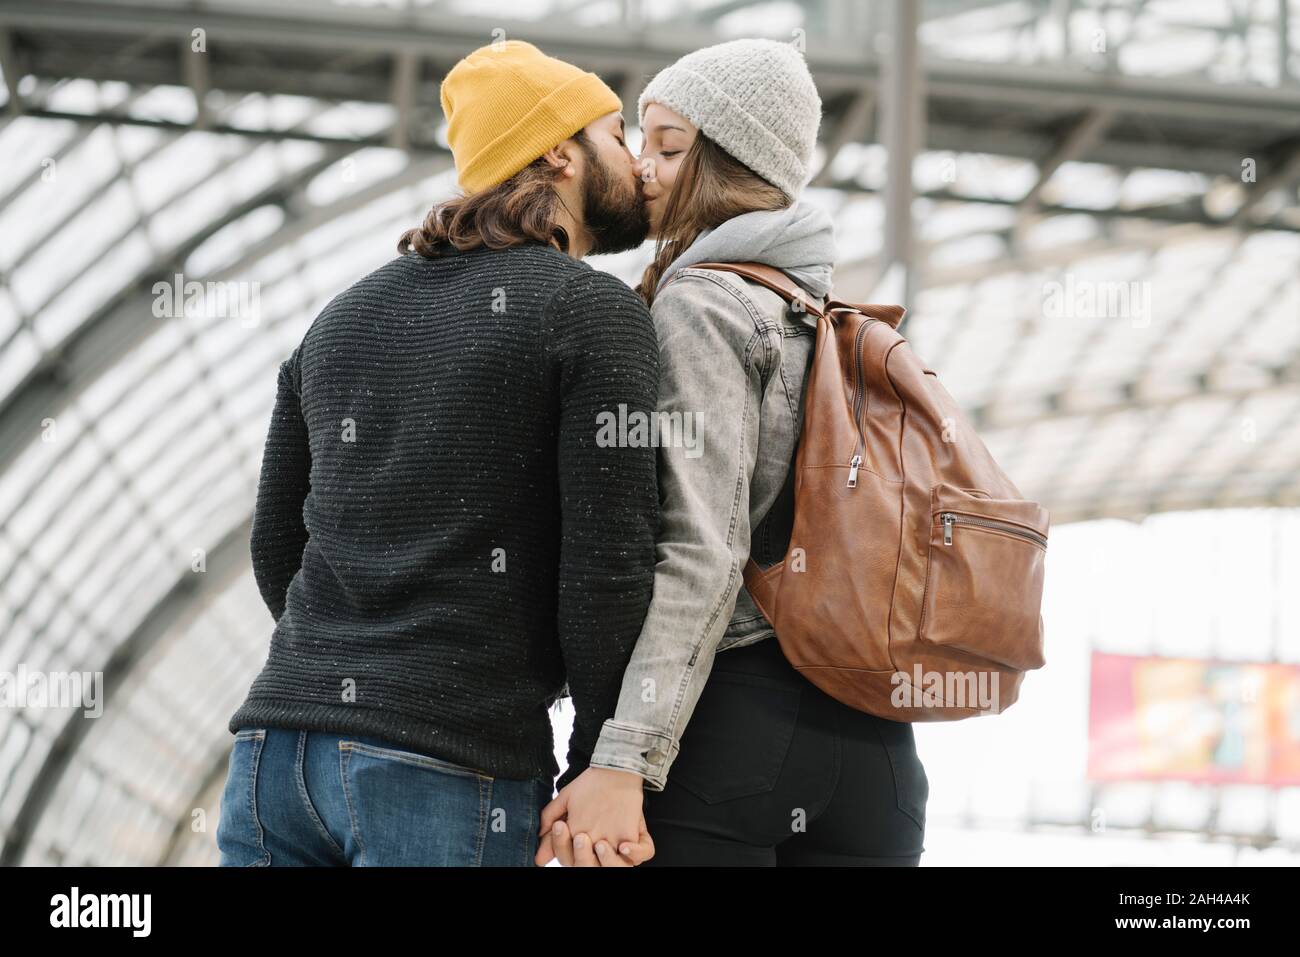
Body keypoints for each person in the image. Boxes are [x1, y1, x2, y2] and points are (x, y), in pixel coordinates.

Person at [217, 40, 659, 867]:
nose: (635, 161)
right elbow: (610, 562)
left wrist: (356, 666)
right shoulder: (592, 315)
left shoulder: (341, 317)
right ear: (560, 152)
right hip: (448, 761)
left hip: (273, 753)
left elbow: (277, 547)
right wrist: (604, 756)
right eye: (616, 132)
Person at [537, 37, 930, 867]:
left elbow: (703, 551)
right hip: (879, 759)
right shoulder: (832, 316)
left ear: (729, 164)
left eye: (669, 146)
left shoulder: (706, 302)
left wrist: (622, 757)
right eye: (641, 140)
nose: (642, 166)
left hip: (734, 736)